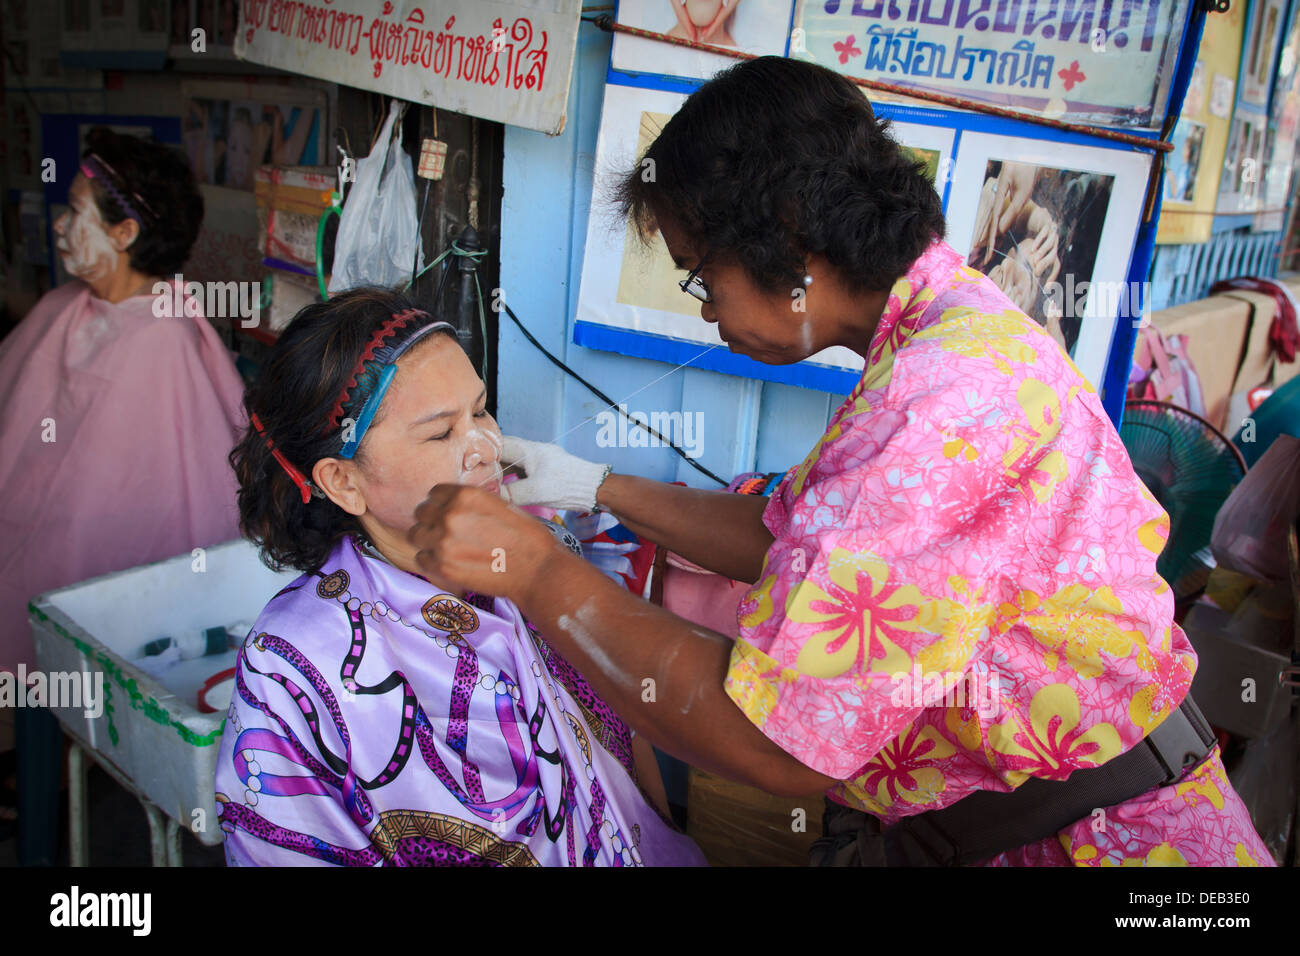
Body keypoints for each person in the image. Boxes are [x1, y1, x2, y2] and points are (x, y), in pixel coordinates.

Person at [407, 57, 1275, 866]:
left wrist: (531, 569)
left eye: (700, 278)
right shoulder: (949, 325)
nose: (706, 312)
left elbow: (774, 740)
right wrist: (590, 484)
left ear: (785, 238)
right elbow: (809, 547)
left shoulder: (928, 407)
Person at [214, 288, 703, 867]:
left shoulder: (538, 554)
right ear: (344, 482)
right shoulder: (291, 665)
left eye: (481, 410)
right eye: (442, 433)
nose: (485, 446)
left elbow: (620, 731)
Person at [0, 127, 246, 833]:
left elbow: (108, 496)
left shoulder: (160, 339)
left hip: (111, 592)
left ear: (127, 230)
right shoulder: (64, 310)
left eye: (75, 209)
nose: (58, 223)